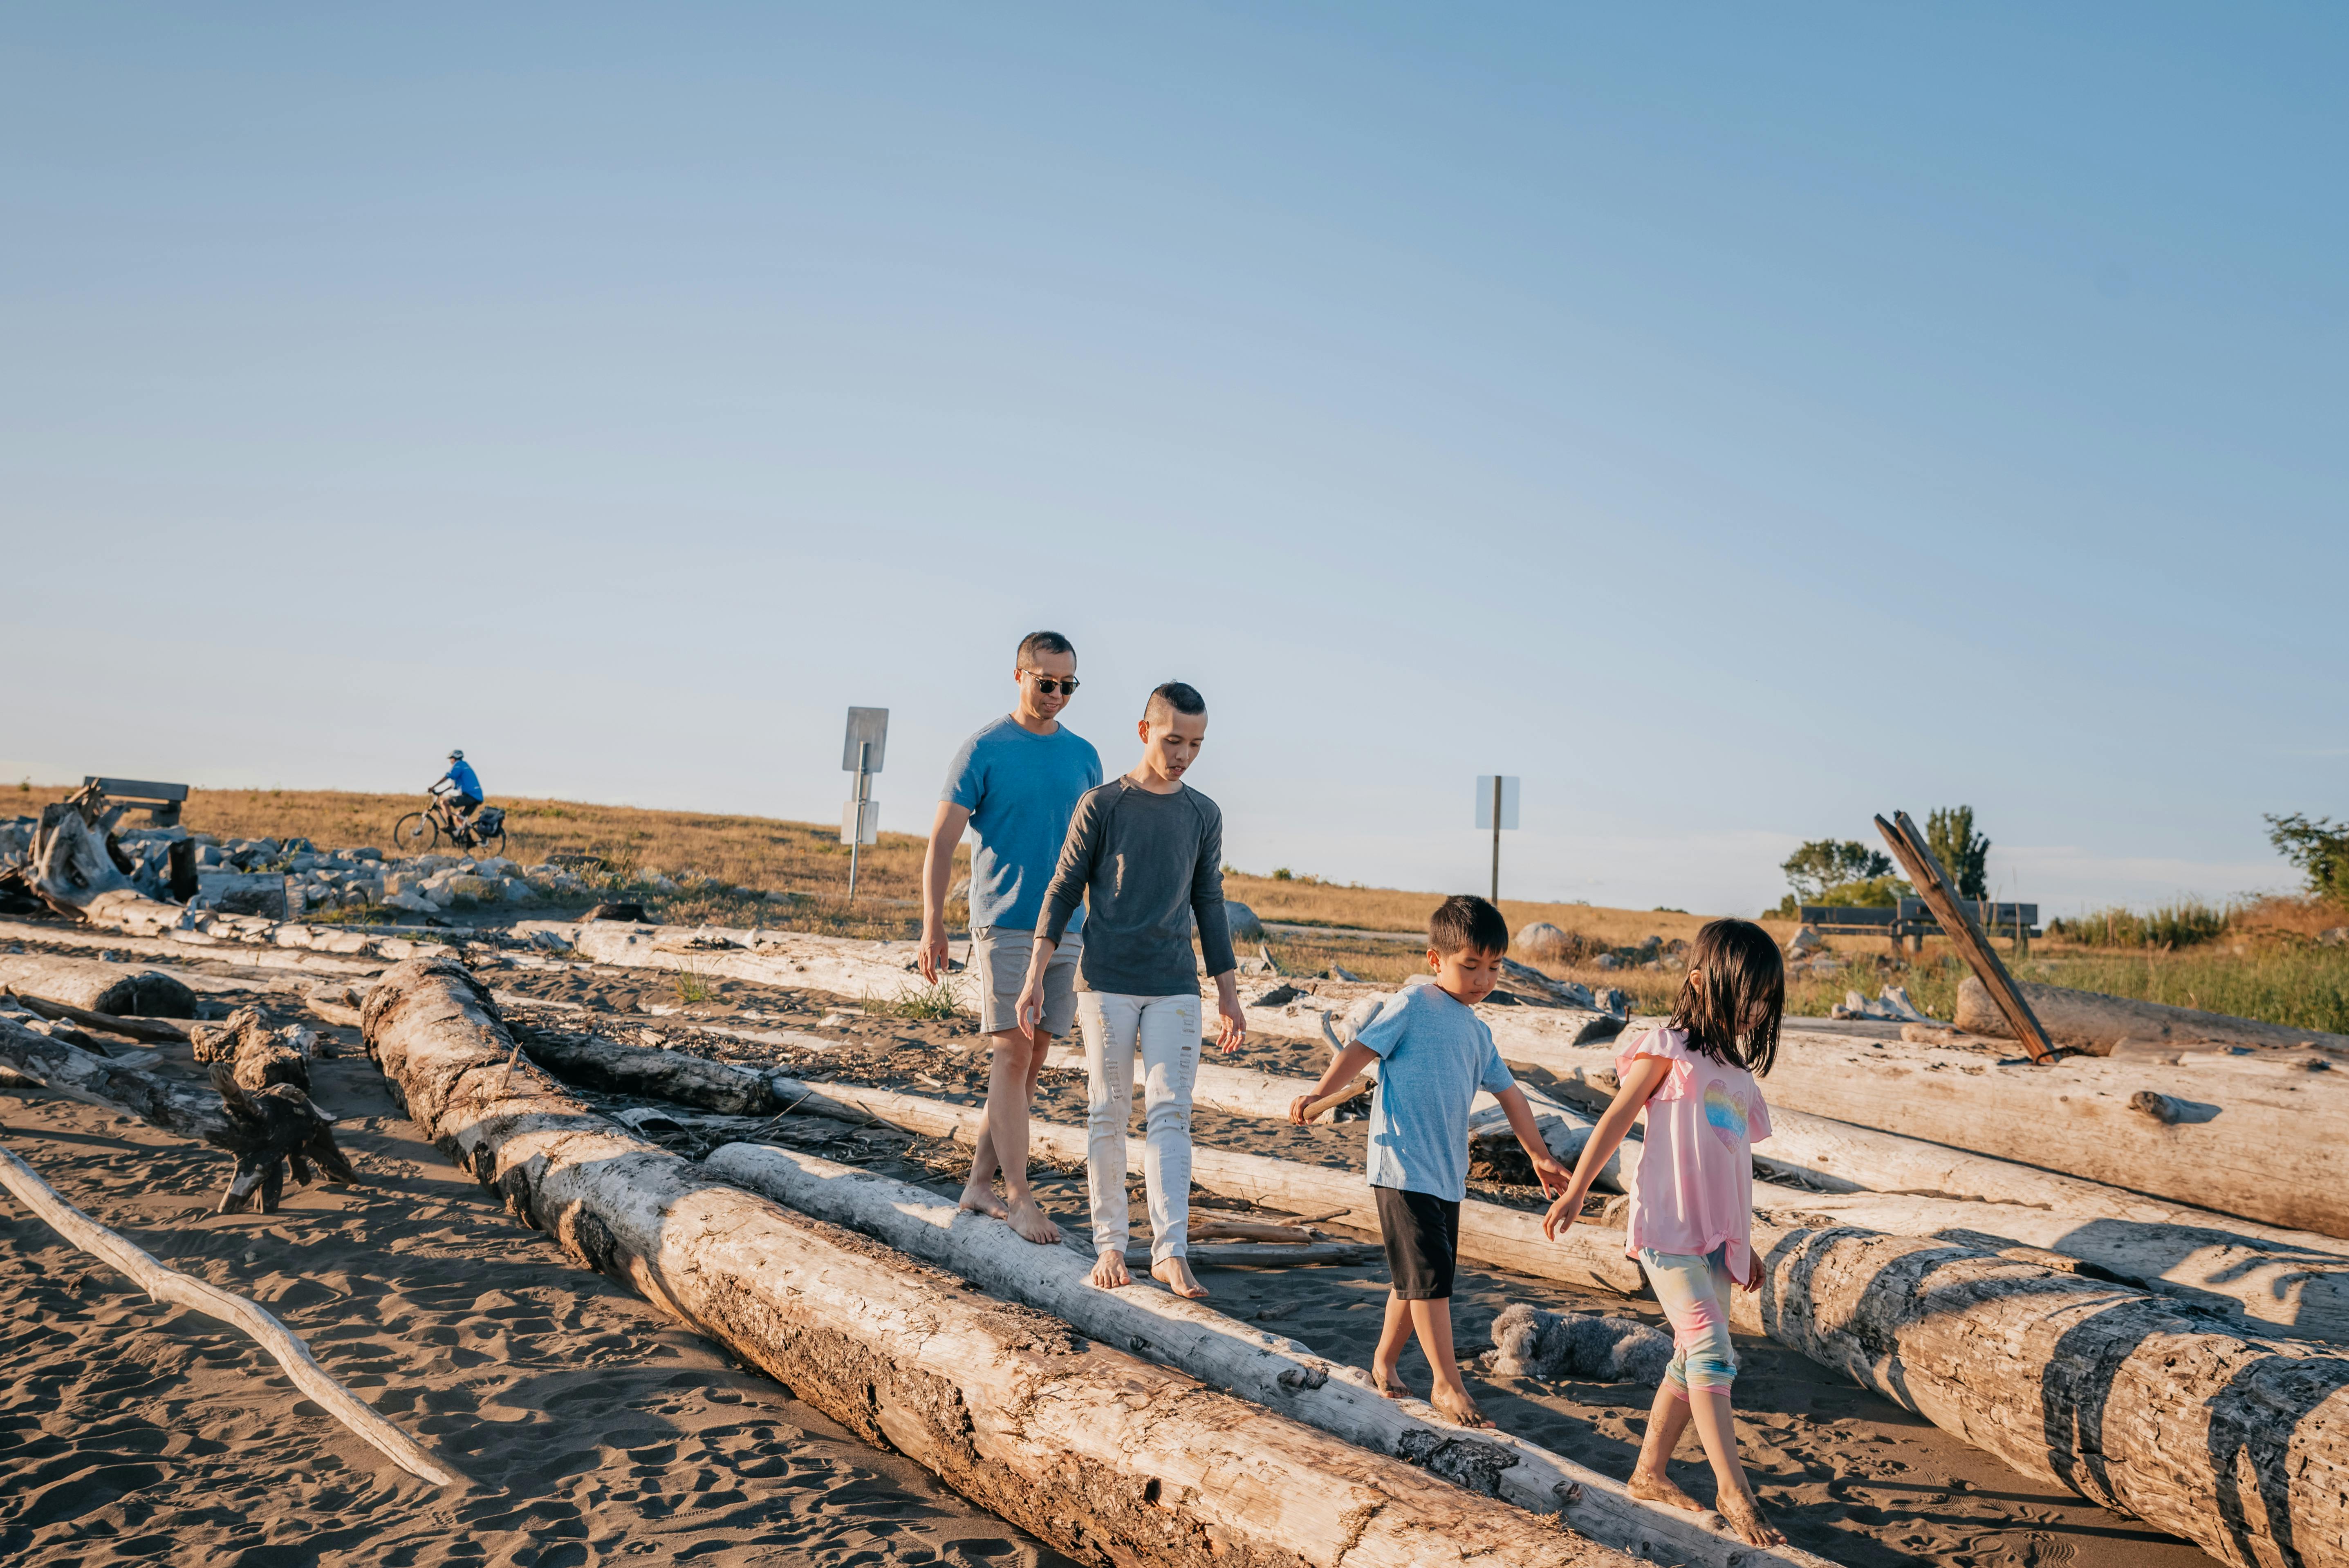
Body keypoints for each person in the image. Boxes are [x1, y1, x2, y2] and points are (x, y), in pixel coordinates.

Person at [1541, 917, 1787, 1548]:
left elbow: (1732, 1166)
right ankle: (1733, 1488)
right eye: (1748, 994)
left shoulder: (1737, 1075)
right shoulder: (1667, 1048)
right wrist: (1575, 1188)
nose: (1758, 1009)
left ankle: (1648, 1472)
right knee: (1710, 1350)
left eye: (1766, 999)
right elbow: (1617, 1119)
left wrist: (1744, 1240)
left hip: (1714, 1239)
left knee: (1691, 1357)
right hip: (1665, 1231)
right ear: (1702, 982)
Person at [1289, 894, 1569, 1428]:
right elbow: (1359, 1053)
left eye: (1494, 968)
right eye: (1471, 966)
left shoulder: (1478, 1031)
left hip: (1447, 1175)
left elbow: (1511, 1096)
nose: (1483, 979)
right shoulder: (1413, 1004)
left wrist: (1538, 1154)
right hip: (1401, 1167)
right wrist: (1318, 1093)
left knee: (1416, 1279)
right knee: (1431, 1278)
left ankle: (1385, 1364)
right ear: (1435, 961)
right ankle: (1446, 1384)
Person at [1024, 681, 1245, 1301]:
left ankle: (1170, 1253)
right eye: (1174, 740)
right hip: (1107, 984)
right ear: (1145, 730)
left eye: (1196, 744)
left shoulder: (1203, 813)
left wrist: (1227, 993)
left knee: (1171, 1113)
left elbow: (1209, 903)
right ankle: (1111, 1245)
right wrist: (1036, 977)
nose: (1183, 754)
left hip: (1175, 985)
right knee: (1108, 1112)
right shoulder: (1102, 805)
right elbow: (1063, 889)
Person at [918, 631, 1103, 1245]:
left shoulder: (1084, 756)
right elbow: (942, 842)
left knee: (1033, 1061)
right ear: (1019, 675)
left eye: (1067, 686)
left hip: (1067, 929)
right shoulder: (983, 748)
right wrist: (932, 924)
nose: (1056, 694)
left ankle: (978, 1184)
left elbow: (1094, 854)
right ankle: (1020, 1197)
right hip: (1005, 923)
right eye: (1045, 682)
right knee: (1011, 1053)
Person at [438, 750, 483, 822]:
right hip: (477, 798)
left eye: (451, 759)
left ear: (453, 759)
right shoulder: (464, 765)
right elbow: (454, 786)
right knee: (460, 817)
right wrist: (442, 791)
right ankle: (467, 834)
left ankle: (451, 825)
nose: (450, 761)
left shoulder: (458, 765)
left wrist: (434, 787)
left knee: (444, 803)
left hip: (470, 796)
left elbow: (447, 777)